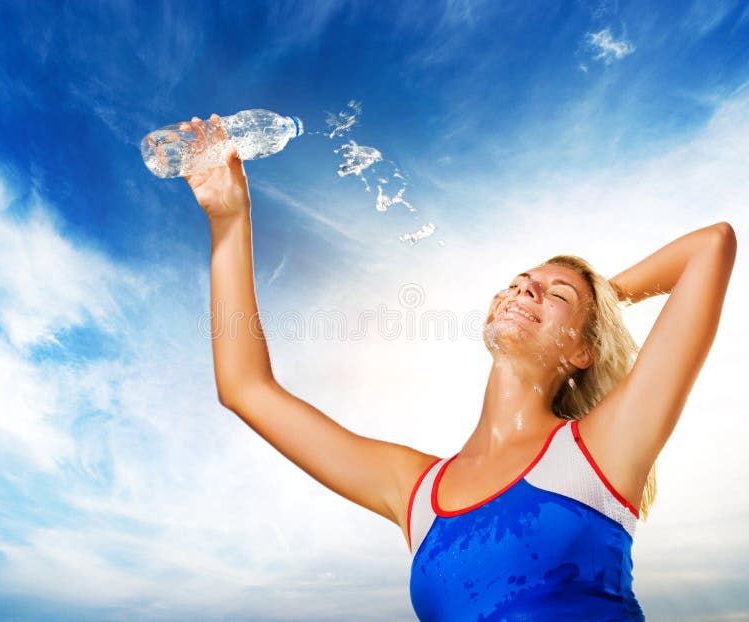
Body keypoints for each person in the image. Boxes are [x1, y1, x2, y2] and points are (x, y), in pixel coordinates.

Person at [181, 115, 737, 621]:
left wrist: (599, 304)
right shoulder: (416, 490)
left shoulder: (601, 449)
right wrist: (229, 221)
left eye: (554, 293)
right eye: (519, 283)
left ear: (581, 353)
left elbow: (711, 246)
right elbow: (246, 389)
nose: (525, 290)